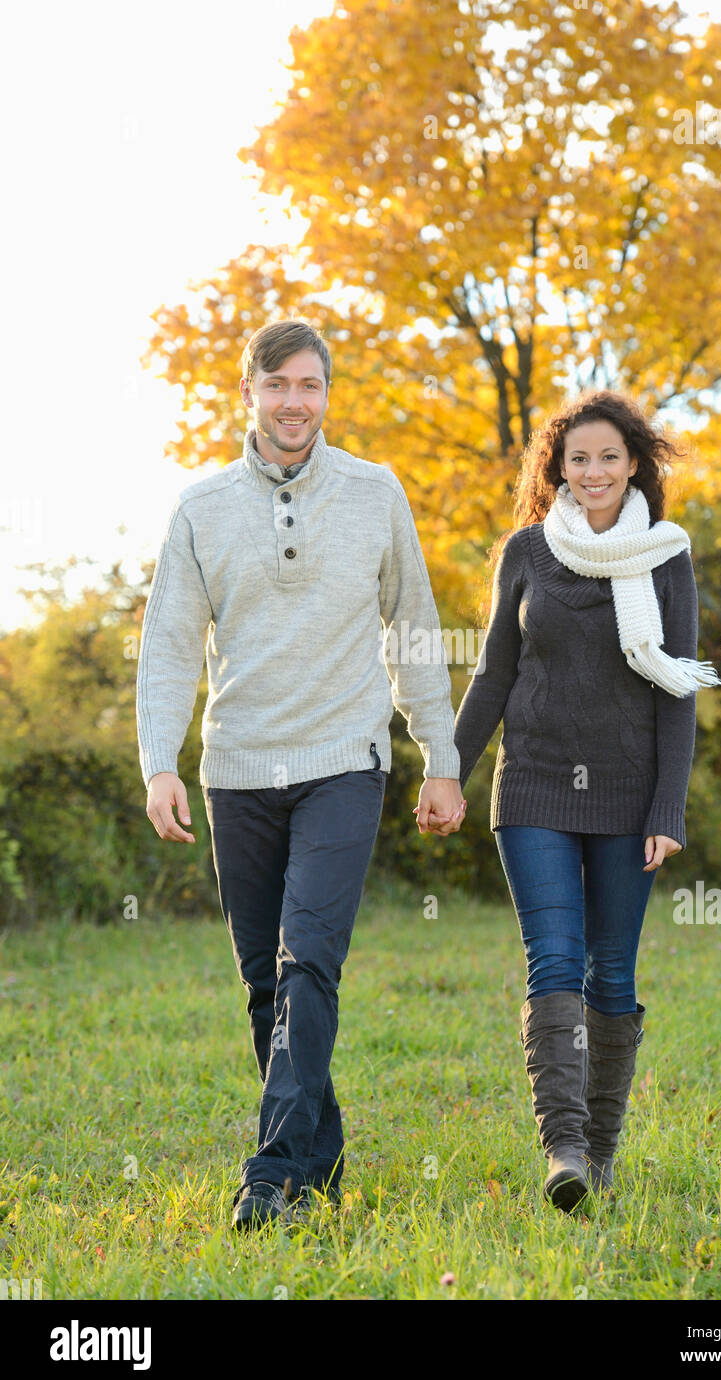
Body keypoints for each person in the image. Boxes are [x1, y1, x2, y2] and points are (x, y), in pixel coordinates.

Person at [137, 320, 466, 1232]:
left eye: (310, 385)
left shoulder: (374, 492)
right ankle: (317, 1165)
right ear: (248, 392)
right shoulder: (201, 509)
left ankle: (271, 1174)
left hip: (341, 764)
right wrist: (159, 760)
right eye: (278, 384)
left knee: (307, 962)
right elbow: (167, 646)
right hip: (236, 769)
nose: (294, 402)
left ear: (328, 395)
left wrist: (438, 755)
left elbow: (413, 627)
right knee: (263, 987)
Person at [442, 390, 721, 1214]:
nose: (593, 472)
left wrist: (666, 812)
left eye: (607, 457)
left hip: (629, 792)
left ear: (632, 463)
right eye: (577, 459)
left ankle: (600, 1155)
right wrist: (448, 772)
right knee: (554, 959)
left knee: (612, 970)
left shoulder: (665, 557)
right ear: (556, 469)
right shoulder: (528, 551)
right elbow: (494, 671)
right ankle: (561, 1147)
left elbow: (676, 692)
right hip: (530, 784)